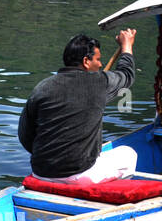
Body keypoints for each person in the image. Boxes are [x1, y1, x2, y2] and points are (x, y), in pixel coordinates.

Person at [19, 30, 138, 183]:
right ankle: (107, 195)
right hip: (78, 174)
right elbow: (127, 75)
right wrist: (126, 45)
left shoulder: (42, 87)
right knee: (128, 154)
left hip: (40, 172)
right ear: (86, 62)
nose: (101, 64)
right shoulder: (100, 82)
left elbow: (25, 135)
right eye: (98, 59)